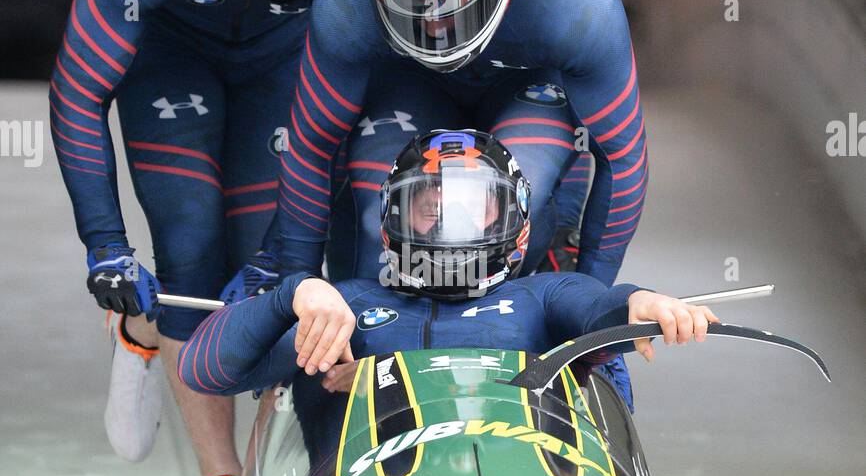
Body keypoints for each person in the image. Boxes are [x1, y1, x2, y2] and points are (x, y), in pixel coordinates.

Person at [51, 0, 366, 476]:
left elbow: (349, 107)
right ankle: (210, 469)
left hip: (284, 59)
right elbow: (78, 90)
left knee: (279, 279)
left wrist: (280, 254)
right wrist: (105, 249)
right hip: (171, 54)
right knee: (191, 243)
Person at [270, 0, 646, 401]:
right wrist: (300, 291)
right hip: (405, 80)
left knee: (511, 206)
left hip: (528, 82)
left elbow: (623, 156)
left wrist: (595, 320)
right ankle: (365, 380)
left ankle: (523, 342)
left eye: (453, 11)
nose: (437, 30)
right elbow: (311, 148)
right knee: (387, 219)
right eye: (415, 12)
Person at [177, 133, 711, 421]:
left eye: (471, 209)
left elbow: (599, 308)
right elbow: (204, 373)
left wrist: (639, 305)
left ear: (513, 222)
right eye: (428, 206)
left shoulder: (544, 298)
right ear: (391, 220)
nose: (448, 225)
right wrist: (292, 293)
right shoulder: (349, 308)